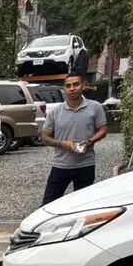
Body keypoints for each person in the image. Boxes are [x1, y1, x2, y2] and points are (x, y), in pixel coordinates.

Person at [39, 75, 108, 204]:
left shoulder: (95, 107)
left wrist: (89, 142)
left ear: (83, 86)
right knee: (48, 204)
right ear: (64, 88)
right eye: (68, 85)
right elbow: (44, 138)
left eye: (76, 84)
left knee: (83, 206)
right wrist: (62, 144)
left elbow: (102, 130)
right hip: (60, 165)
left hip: (86, 165)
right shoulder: (55, 112)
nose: (72, 88)